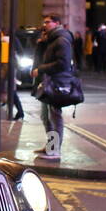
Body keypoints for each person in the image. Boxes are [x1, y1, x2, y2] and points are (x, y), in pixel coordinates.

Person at [32, 14, 73, 160]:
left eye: (48, 22)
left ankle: (55, 150)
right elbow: (43, 56)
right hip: (48, 82)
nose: (45, 24)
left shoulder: (62, 40)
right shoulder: (50, 40)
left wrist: (41, 69)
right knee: (45, 116)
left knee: (55, 116)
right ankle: (50, 146)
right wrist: (41, 43)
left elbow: (63, 63)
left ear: (57, 23)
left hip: (57, 82)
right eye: (44, 22)